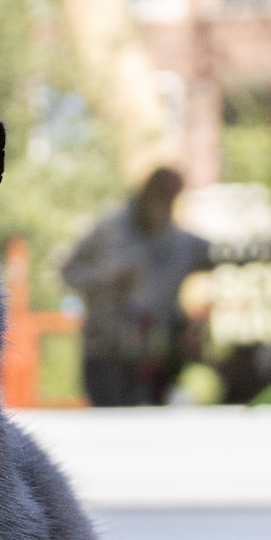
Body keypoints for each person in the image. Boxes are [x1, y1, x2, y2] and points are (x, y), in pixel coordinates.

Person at [61, 167, 211, 407]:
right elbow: (68, 273)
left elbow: (218, 253)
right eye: (161, 195)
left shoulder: (179, 241)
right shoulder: (110, 231)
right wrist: (107, 276)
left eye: (171, 198)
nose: (164, 205)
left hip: (156, 360)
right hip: (106, 353)